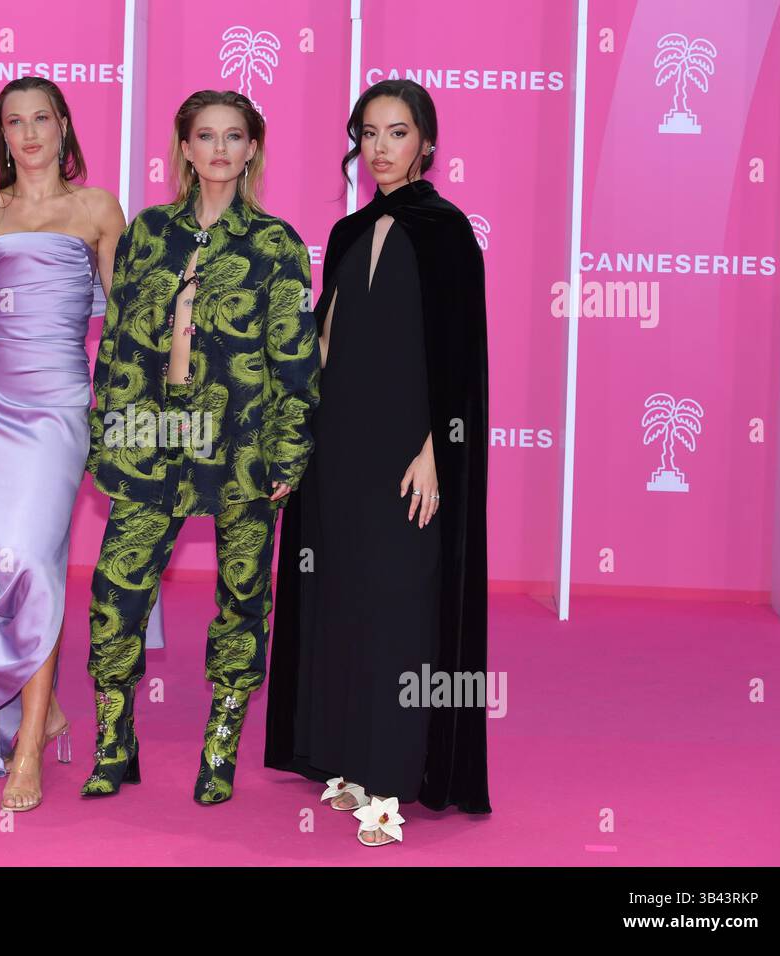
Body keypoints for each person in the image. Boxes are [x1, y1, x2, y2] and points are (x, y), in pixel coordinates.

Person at [0, 77, 164, 813]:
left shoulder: (97, 209)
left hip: (58, 407)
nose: (28, 134)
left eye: (41, 120)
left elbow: (123, 322)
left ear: (63, 127)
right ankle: (44, 711)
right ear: (3, 133)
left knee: (33, 567)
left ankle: (26, 748)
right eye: (14, 122)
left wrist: (141, 407)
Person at [264, 79, 492, 845]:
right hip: (340, 447)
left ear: (426, 142)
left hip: (408, 451)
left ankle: (391, 788)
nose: (381, 148)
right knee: (343, 604)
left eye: (398, 133)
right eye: (369, 133)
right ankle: (350, 759)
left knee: (399, 610)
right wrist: (296, 435)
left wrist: (437, 450)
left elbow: (461, 359)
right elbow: (326, 342)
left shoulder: (447, 231)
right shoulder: (353, 230)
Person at [82, 90, 320, 804]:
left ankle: (220, 747)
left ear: (252, 150)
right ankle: (115, 739)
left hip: (243, 438)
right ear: (183, 148)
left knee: (243, 596)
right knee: (115, 592)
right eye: (205, 136)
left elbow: (297, 359)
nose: (219, 149)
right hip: (154, 434)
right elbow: (119, 344)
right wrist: (110, 437)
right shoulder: (149, 232)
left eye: (234, 137)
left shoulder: (276, 243)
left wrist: (290, 451)